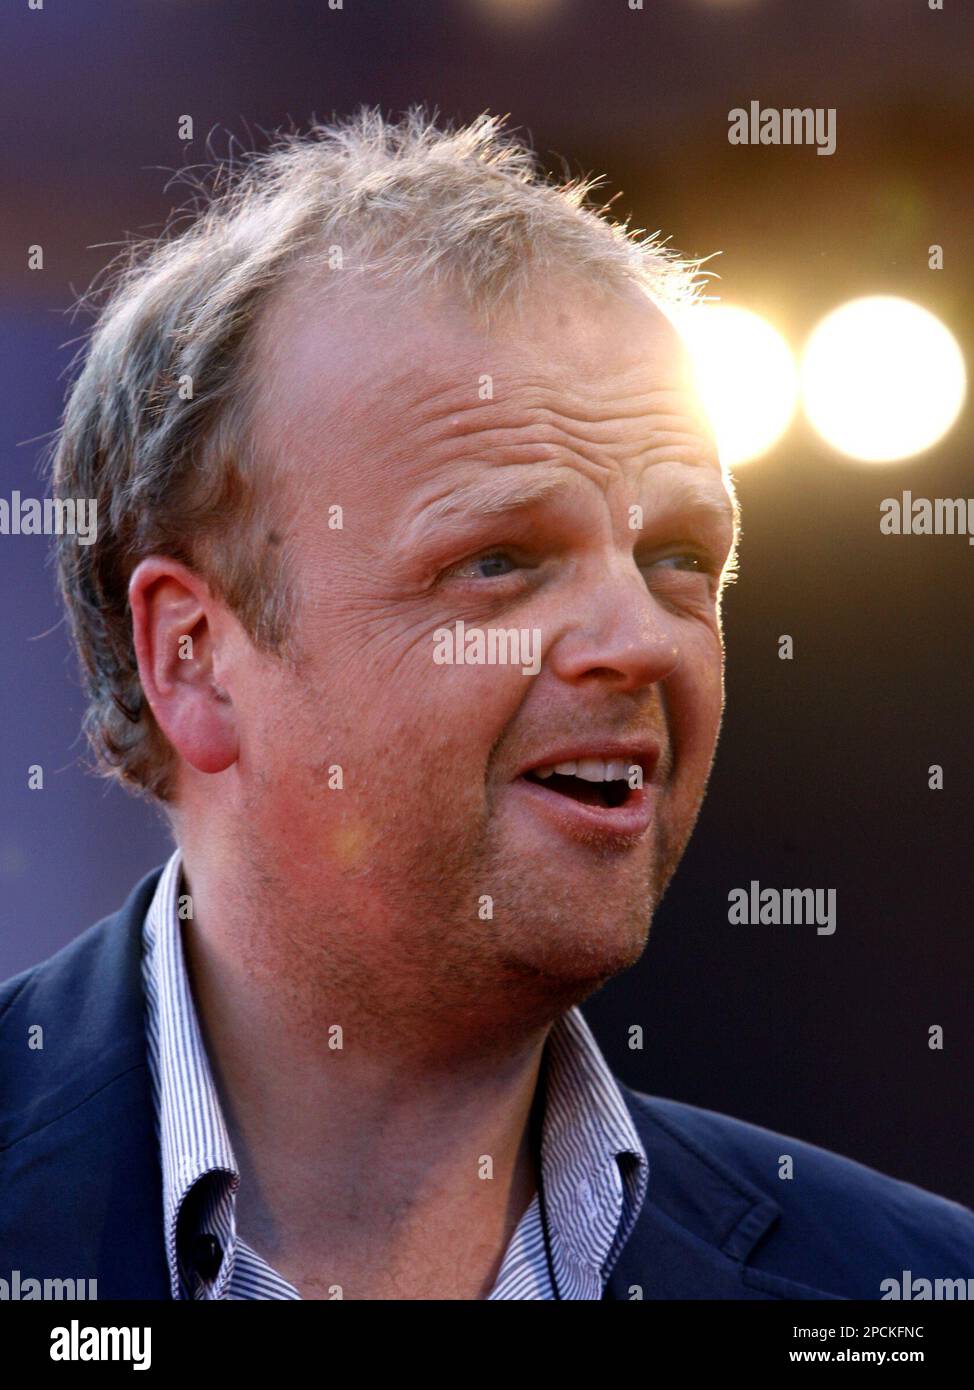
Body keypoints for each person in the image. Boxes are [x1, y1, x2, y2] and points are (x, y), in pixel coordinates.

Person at [1, 108, 971, 1301]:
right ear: (195, 657)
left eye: (675, 554)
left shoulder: (905, 1288)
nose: (637, 639)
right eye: (500, 559)